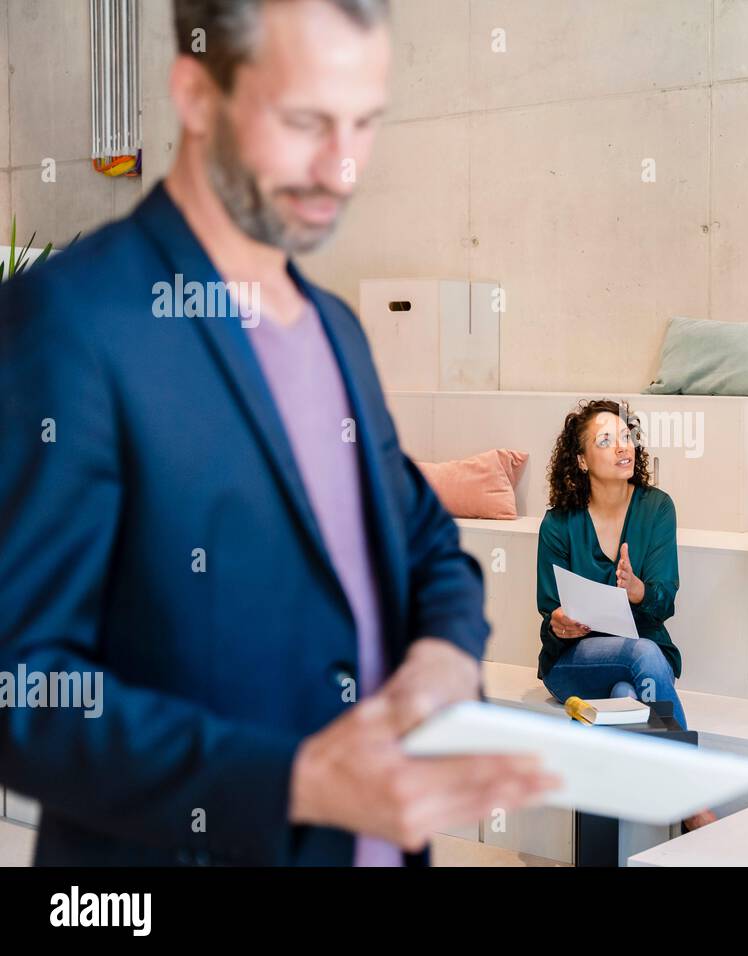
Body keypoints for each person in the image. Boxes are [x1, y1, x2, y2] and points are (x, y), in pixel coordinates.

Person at [0, 0, 555, 866]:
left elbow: (426, 544)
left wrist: (447, 654)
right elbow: (24, 689)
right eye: (304, 120)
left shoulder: (337, 330)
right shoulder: (73, 321)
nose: (341, 165)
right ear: (195, 94)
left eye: (363, 123)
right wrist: (293, 779)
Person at [535, 400, 715, 831]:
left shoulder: (657, 508)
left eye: (627, 436)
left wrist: (638, 592)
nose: (623, 447)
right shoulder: (558, 523)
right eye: (606, 440)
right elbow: (547, 605)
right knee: (642, 655)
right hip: (572, 663)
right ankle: (692, 802)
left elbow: (664, 598)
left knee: (625, 692)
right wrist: (559, 621)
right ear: (580, 460)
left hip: (642, 660)